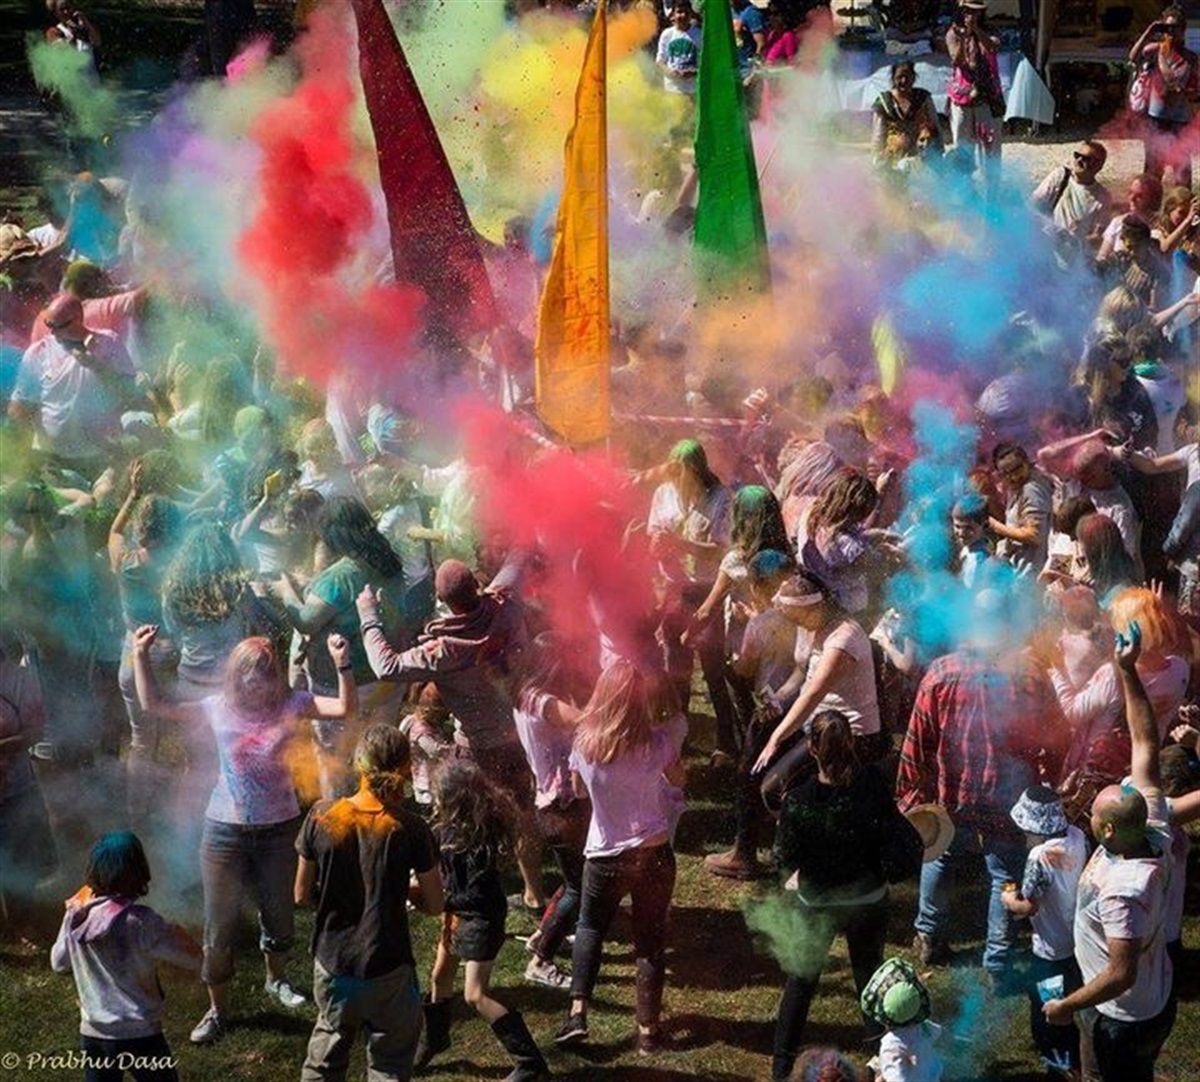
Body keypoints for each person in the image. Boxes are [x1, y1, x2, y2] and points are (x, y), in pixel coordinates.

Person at [131, 625, 357, 1045]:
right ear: (237, 676)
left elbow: (344, 707)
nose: (258, 683)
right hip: (223, 833)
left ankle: (276, 980)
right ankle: (217, 1011)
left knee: (281, 917)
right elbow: (154, 704)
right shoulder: (217, 706)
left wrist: (343, 661)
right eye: (251, 675)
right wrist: (139, 655)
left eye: (267, 674)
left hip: (279, 830)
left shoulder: (293, 703)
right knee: (218, 928)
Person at [1040, 621, 1200, 1082]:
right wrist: (1125, 669)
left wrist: (1068, 1006)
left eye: (1094, 812)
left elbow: (1121, 972)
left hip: (1120, 1016)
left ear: (1107, 829)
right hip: (1154, 998)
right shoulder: (1152, 820)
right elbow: (1146, 739)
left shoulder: (1121, 893)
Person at [896, 589, 1068, 979]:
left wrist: (912, 796)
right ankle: (997, 960)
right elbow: (1058, 735)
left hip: (952, 793)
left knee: (940, 858)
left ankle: (928, 937)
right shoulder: (1029, 674)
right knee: (1004, 876)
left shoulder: (941, 672)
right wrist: (1050, 780)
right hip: (1008, 798)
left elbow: (916, 740)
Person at [294, 725, 445, 1082]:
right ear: (406, 768)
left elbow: (300, 894)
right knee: (390, 1065)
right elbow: (436, 904)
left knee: (324, 1062)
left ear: (359, 765)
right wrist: (399, 890)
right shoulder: (411, 828)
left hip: (334, 962)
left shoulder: (321, 816)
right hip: (388, 966)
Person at [554, 661, 686, 1054]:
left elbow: (578, 792)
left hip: (606, 854)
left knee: (591, 927)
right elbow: (679, 781)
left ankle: (578, 1013)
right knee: (649, 939)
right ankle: (648, 1032)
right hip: (654, 853)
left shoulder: (584, 743)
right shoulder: (658, 743)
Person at [769, 711, 895, 1082]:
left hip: (817, 904)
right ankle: (885, 1061)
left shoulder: (799, 800)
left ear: (811, 749)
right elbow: (888, 832)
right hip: (868, 900)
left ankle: (780, 1070)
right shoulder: (873, 783)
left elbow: (783, 859)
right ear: (851, 743)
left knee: (801, 982)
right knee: (869, 980)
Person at [417, 759, 550, 1082]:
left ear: (452, 798)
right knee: (439, 977)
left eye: (437, 795)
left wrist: (433, 895)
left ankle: (530, 1062)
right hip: (456, 914)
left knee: (475, 994)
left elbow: (472, 893)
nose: (433, 801)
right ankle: (434, 1039)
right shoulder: (443, 831)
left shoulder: (479, 835)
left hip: (480, 918)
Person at [50, 831, 201, 1082]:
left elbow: (58, 963)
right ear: (138, 870)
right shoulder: (141, 921)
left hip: (95, 1032)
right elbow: (191, 960)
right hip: (142, 1033)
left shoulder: (76, 916)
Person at [706, 548, 796, 879]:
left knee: (749, 776)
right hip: (800, 708)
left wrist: (731, 659)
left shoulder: (761, 624)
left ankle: (743, 853)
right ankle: (787, 855)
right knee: (791, 779)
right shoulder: (804, 614)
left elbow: (745, 670)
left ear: (757, 587)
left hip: (770, 709)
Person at [753, 571, 886, 795]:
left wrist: (776, 738)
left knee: (773, 789)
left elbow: (813, 693)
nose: (796, 624)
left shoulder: (843, 638)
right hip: (818, 728)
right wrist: (778, 698)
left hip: (850, 738)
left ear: (813, 608)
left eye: (797, 618)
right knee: (784, 789)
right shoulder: (813, 625)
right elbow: (804, 673)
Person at [513, 633, 590, 990]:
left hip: (551, 801)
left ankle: (543, 935)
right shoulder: (542, 701)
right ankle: (541, 958)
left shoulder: (523, 694)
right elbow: (586, 721)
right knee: (579, 885)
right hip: (562, 807)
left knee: (576, 879)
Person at [999, 785, 1088, 1076]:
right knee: (1071, 1002)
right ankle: (1073, 1055)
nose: (1024, 835)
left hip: (1049, 951)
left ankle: (1058, 1065)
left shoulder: (1039, 855)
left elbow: (1029, 907)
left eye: (1025, 829)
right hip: (1077, 941)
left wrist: (1008, 899)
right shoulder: (1077, 835)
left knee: (1048, 1011)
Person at [7, 292, 138, 476]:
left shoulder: (109, 342)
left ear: (77, 320)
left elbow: (130, 394)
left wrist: (97, 366)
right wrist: (22, 458)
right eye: (48, 324)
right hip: (50, 458)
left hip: (100, 455)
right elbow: (20, 409)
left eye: (57, 326)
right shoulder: (38, 352)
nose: (51, 331)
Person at [1128, 6, 1198, 187]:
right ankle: (1148, 211)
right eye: (1168, 28)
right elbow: (1133, 57)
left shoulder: (1191, 58)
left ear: (1183, 30)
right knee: (1152, 172)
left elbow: (1185, 86)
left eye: (1176, 27)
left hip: (1181, 121)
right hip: (1156, 120)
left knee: (1182, 173)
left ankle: (1182, 211)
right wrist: (1150, 31)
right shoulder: (1154, 50)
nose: (1172, 32)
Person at [945, 0, 1005, 190]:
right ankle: (965, 190)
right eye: (969, 11)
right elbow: (957, 59)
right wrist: (964, 38)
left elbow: (992, 47)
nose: (972, 15)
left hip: (987, 98)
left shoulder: (990, 31)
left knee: (990, 150)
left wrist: (976, 31)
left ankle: (991, 191)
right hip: (962, 97)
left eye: (976, 12)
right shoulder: (952, 33)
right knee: (962, 147)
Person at [860, 958, 944, 1082]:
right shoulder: (924, 1027)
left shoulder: (891, 1045)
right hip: (931, 1077)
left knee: (873, 1071)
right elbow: (940, 1033)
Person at [1029, 141, 1112, 253]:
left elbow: (1097, 237)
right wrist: (1051, 228)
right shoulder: (1060, 176)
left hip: (1073, 263)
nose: (1079, 160)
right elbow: (1032, 205)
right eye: (1077, 155)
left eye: (1086, 158)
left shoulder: (1102, 197)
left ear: (1098, 166)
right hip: (1044, 255)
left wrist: (1075, 240)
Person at [989, 442, 1053, 571]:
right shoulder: (1018, 487)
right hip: (1022, 567)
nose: (1013, 477)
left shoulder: (1031, 489)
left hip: (1032, 571)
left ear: (1026, 461)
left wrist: (996, 526)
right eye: (1005, 473)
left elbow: (1034, 535)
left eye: (1016, 469)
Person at [871, 62, 942, 166]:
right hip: (893, 154)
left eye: (908, 77)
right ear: (893, 79)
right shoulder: (885, 101)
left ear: (914, 78)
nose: (904, 81)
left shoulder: (923, 98)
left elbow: (935, 124)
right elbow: (878, 134)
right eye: (899, 77)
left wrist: (939, 150)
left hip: (920, 154)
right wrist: (877, 157)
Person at [656, 2, 702, 96]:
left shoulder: (699, 34)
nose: (683, 15)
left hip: (693, 90)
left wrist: (694, 72)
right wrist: (670, 72)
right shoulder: (667, 34)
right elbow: (660, 61)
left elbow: (707, 62)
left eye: (686, 12)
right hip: (672, 89)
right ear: (673, 15)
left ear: (691, 14)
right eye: (679, 12)